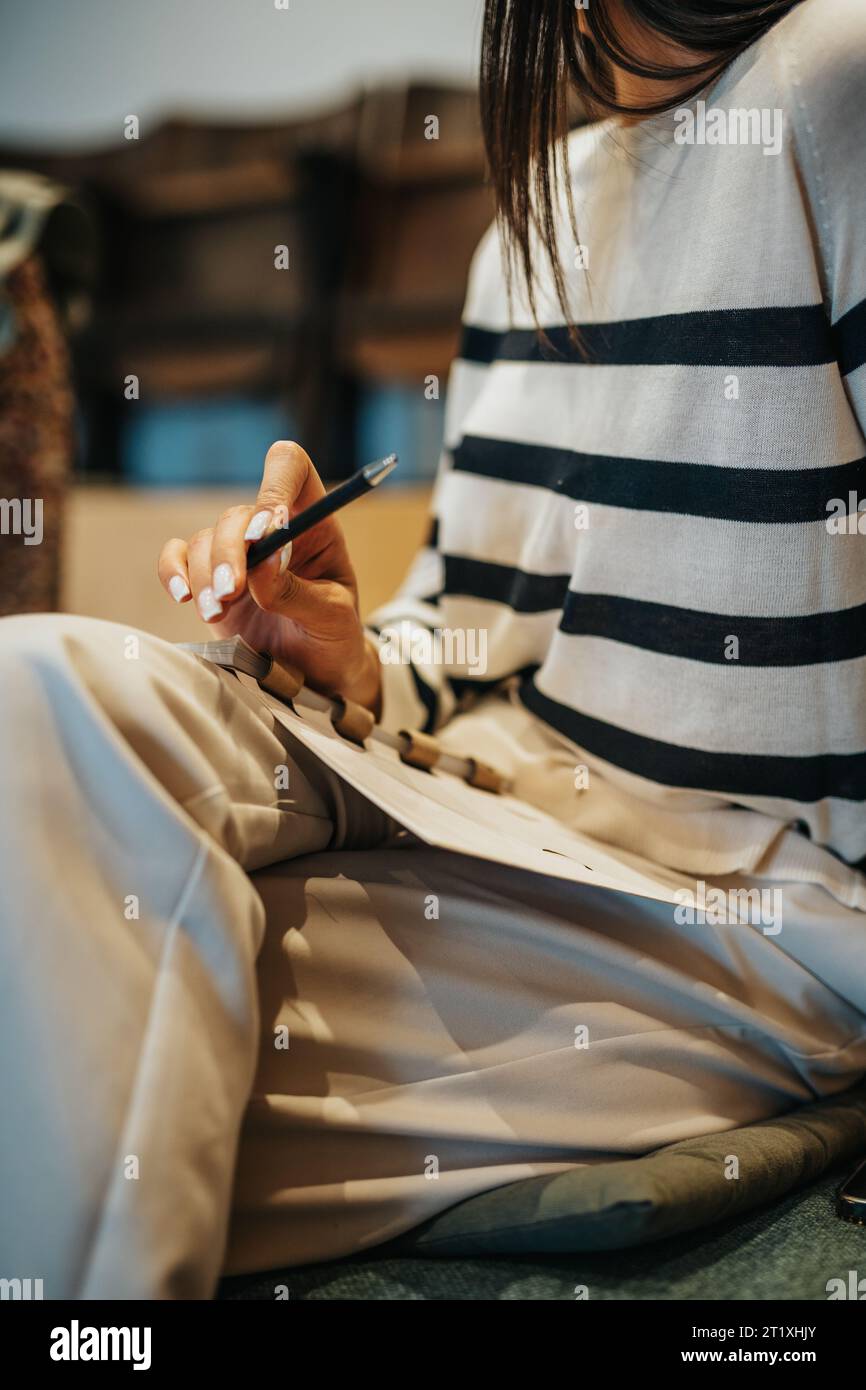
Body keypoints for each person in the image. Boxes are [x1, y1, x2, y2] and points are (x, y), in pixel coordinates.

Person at [2, 0, 865, 1298]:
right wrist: (347, 653)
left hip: (741, 911)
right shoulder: (530, 215)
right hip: (472, 796)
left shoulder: (835, 81)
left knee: (77, 1038)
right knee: (35, 690)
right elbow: (472, 615)